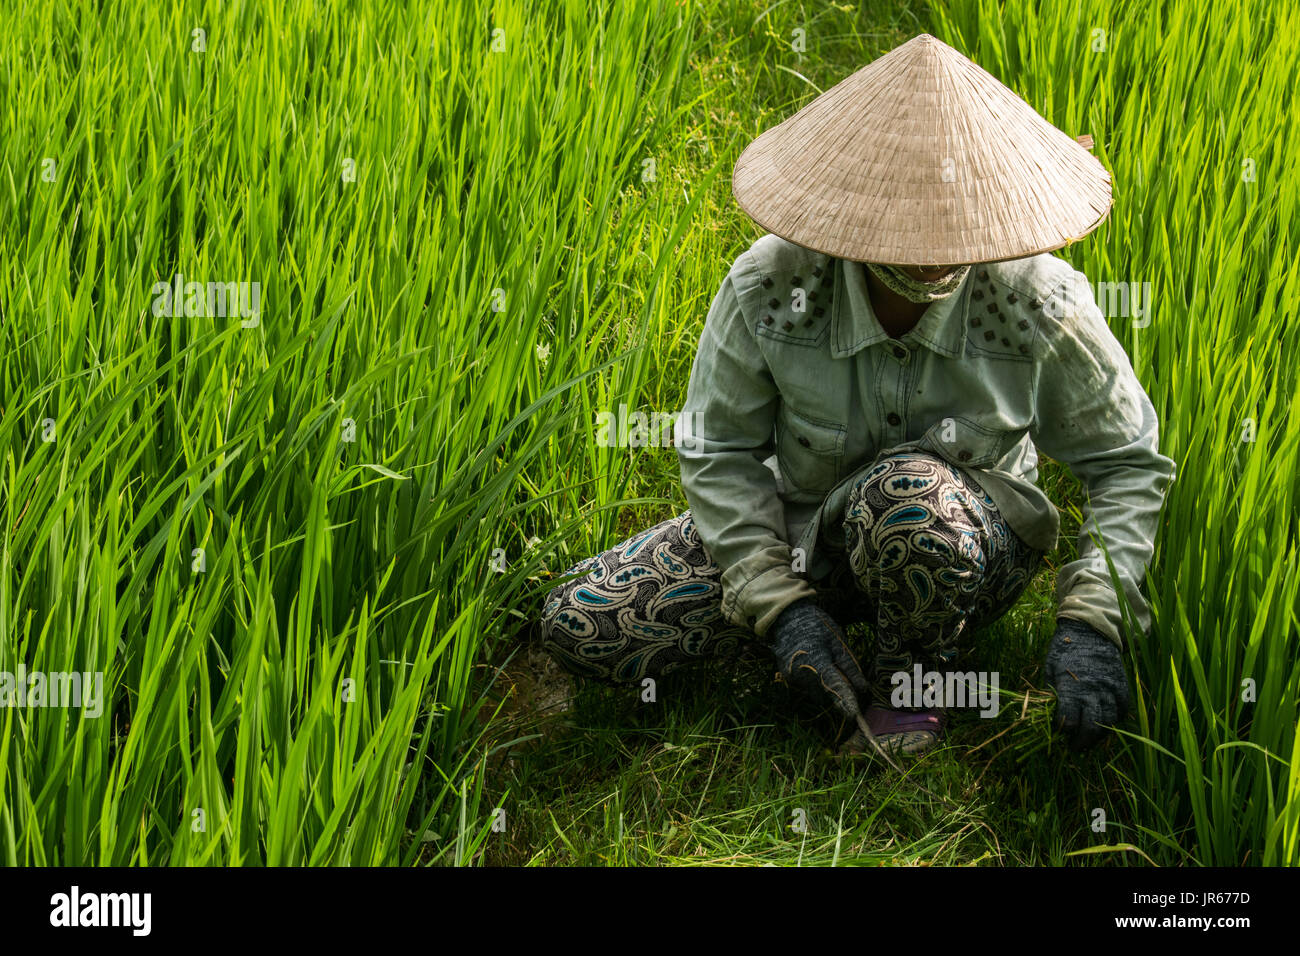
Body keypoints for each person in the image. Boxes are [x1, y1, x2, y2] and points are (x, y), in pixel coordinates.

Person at [537, 34, 1176, 755]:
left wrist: (1092, 620)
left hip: (961, 547)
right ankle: (816, 643)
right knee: (584, 621)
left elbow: (1126, 464)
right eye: (908, 227)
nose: (932, 250)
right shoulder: (772, 288)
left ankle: (915, 682)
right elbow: (719, 451)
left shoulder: (1036, 299)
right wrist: (782, 609)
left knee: (905, 498)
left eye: (951, 222)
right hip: (807, 533)